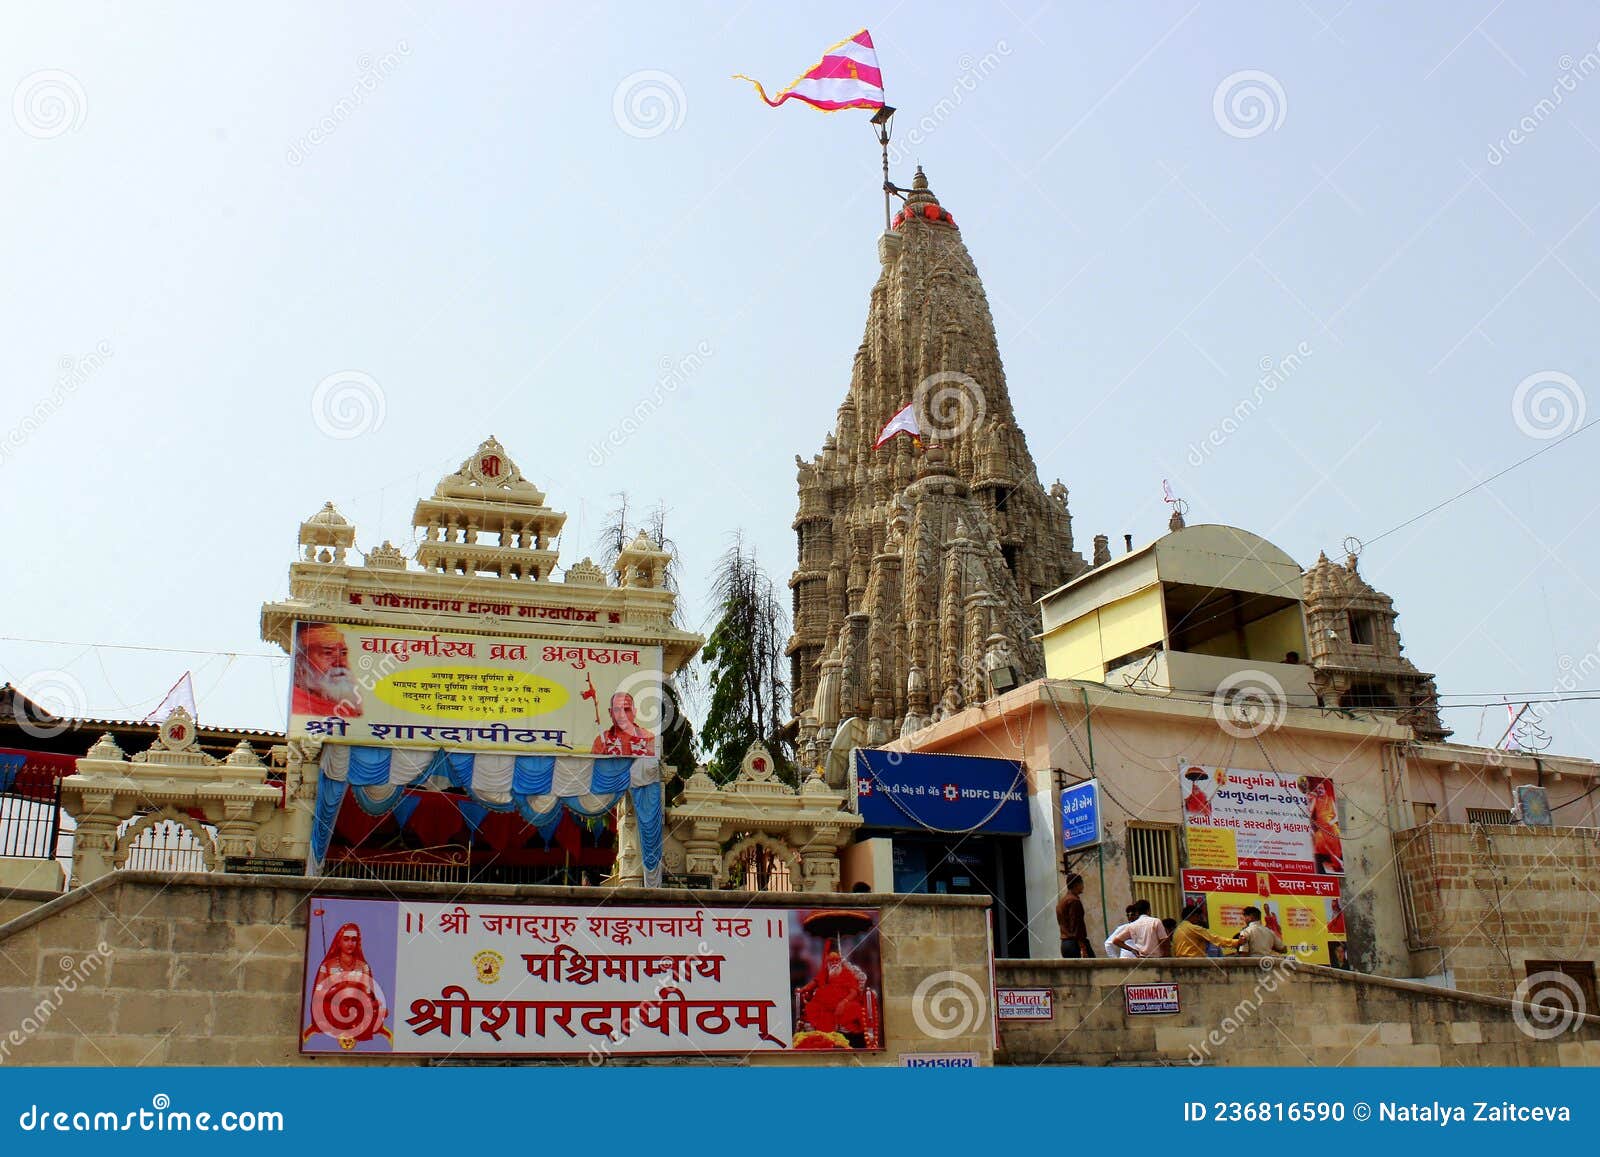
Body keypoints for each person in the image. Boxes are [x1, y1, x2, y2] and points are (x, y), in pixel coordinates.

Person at [795, 942, 868, 1046]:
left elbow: (854, 992)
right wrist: (802, 989)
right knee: (811, 1007)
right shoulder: (825, 973)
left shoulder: (847, 973)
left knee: (854, 1008)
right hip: (823, 1004)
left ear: (840, 961)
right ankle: (827, 1036)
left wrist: (843, 1002)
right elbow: (813, 983)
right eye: (832, 961)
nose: (834, 963)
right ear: (828, 963)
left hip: (843, 1002)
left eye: (837, 960)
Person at [291, 623, 364, 717]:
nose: (341, 663)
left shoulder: (341, 706)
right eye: (328, 653)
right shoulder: (299, 710)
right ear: (299, 662)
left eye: (343, 653)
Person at [591, 691, 656, 755]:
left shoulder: (648, 738)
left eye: (626, 710)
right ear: (610, 712)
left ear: (634, 712)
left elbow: (654, 764)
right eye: (617, 710)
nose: (622, 715)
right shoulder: (601, 741)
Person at [1170, 901, 1243, 957]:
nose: (1199, 920)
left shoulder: (1177, 929)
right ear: (1195, 916)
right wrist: (1236, 942)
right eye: (1199, 917)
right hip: (1194, 963)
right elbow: (1215, 939)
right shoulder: (1193, 928)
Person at [1056, 873, 1093, 958]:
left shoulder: (1061, 902)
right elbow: (1076, 926)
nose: (1083, 886)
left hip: (1065, 944)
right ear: (1077, 884)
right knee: (1092, 969)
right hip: (1075, 944)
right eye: (1082, 883)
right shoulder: (1074, 901)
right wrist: (1083, 948)